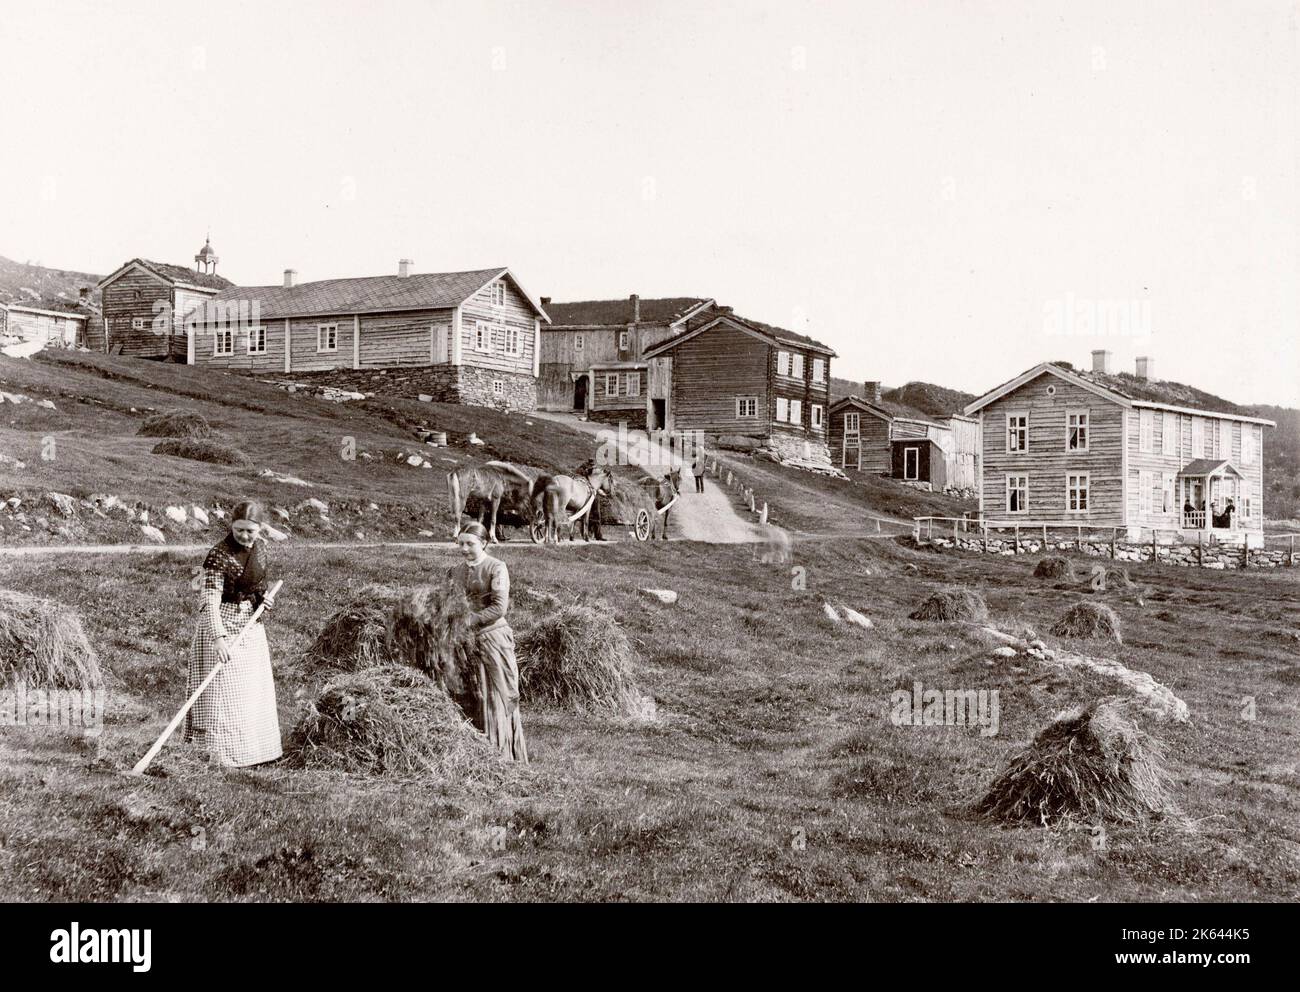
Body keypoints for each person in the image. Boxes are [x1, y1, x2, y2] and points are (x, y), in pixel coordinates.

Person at [185, 500, 282, 767]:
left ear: (260, 529)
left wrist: (264, 599)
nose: (244, 535)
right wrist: (218, 638)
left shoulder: (261, 550)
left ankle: (255, 753)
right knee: (222, 693)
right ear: (231, 526)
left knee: (250, 690)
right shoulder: (219, 555)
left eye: (250, 530)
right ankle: (220, 755)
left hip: (250, 626)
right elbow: (209, 600)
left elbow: (257, 585)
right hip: (223, 626)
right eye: (239, 529)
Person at [449, 522, 528, 762]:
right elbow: (449, 603)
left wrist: (470, 620)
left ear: (484, 543)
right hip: (464, 640)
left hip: (493, 639)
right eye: (461, 543)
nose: (464, 549)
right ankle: (473, 755)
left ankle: (501, 754)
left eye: (470, 544)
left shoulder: (496, 568)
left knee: (495, 693)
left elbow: (498, 607)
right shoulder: (454, 571)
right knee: (470, 693)